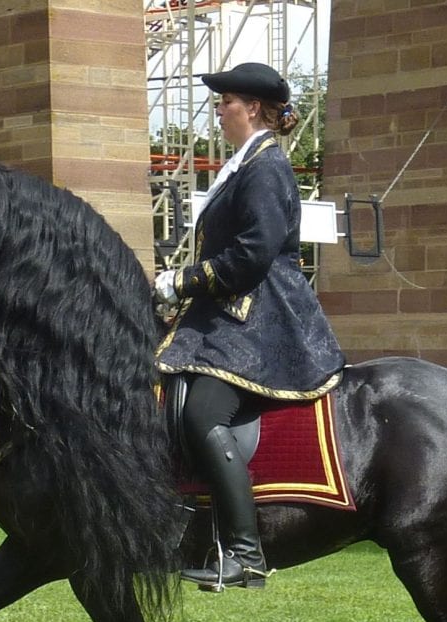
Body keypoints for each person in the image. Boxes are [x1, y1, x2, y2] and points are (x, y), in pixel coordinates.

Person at [153, 62, 346, 589]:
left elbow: (253, 254)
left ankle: (244, 552)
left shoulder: (265, 166)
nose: (219, 112)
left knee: (202, 413)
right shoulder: (243, 164)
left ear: (253, 109)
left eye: (227, 103)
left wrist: (184, 281)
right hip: (228, 310)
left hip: (259, 314)